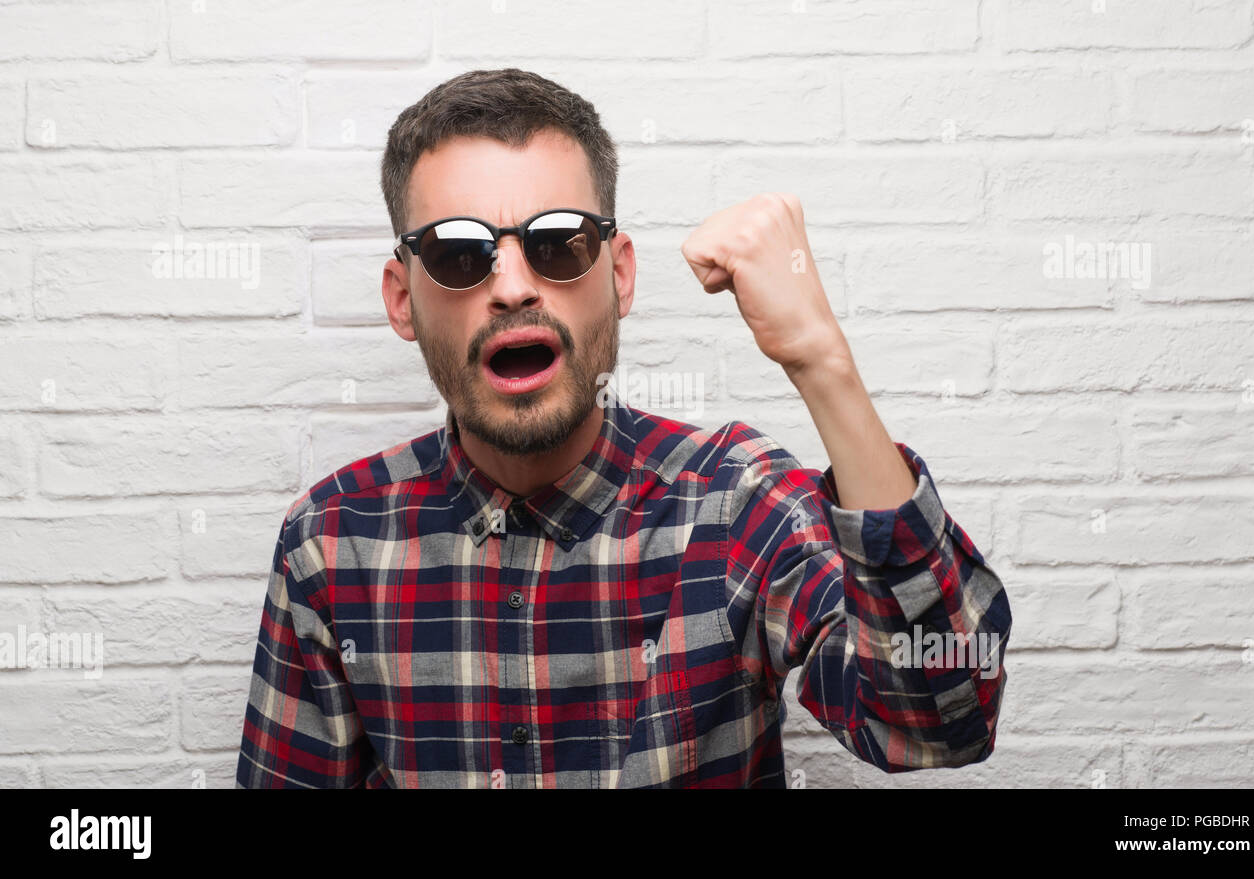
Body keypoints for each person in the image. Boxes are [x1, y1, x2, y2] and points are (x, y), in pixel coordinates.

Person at [236, 67, 1011, 789]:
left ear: (620, 273)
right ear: (403, 299)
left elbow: (943, 720)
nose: (511, 287)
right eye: (459, 253)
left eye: (558, 241)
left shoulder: (735, 503)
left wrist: (822, 362)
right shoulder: (331, 542)